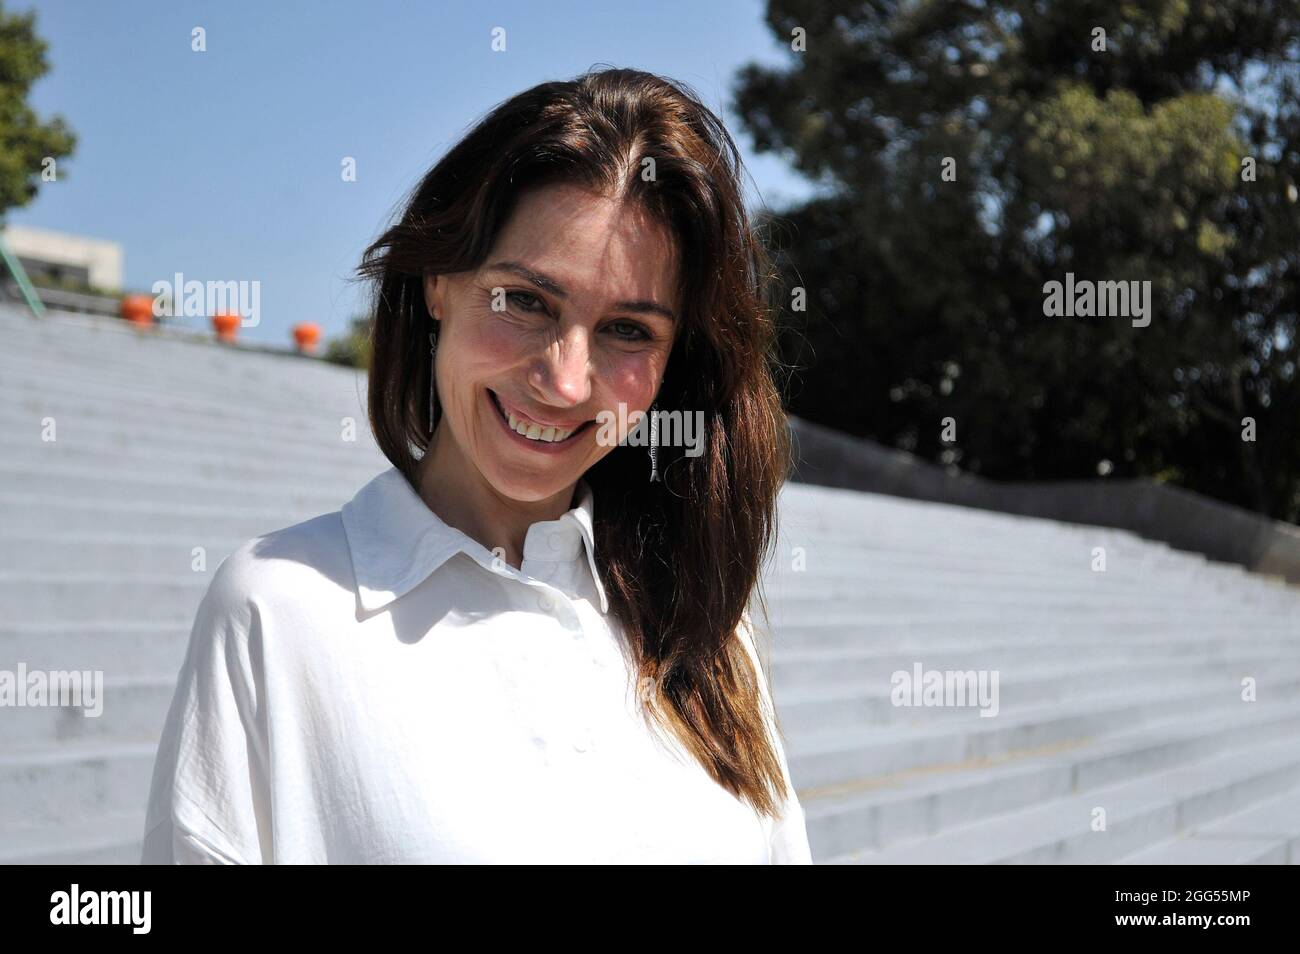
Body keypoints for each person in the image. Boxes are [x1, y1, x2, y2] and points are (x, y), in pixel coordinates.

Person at [140, 66, 811, 864]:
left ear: (674, 365)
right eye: (525, 301)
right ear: (439, 283)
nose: (566, 381)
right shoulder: (275, 611)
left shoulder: (710, 635)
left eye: (628, 330)